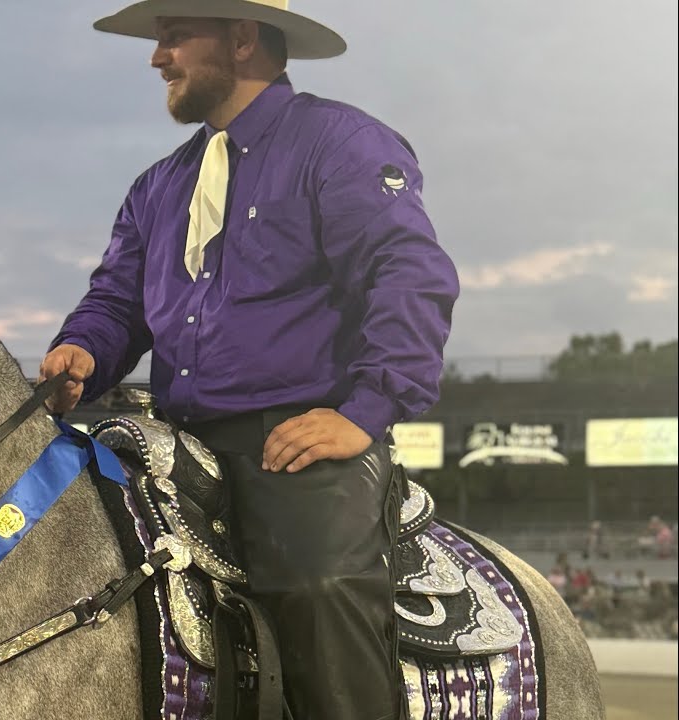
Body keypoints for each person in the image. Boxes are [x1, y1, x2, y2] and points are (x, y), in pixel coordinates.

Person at [40, 3, 458, 717]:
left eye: (174, 36)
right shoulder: (159, 186)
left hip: (296, 440)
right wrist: (85, 348)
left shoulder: (341, 144)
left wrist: (367, 411)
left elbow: (408, 273)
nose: (157, 57)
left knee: (319, 587)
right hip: (176, 438)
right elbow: (117, 300)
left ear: (241, 38)